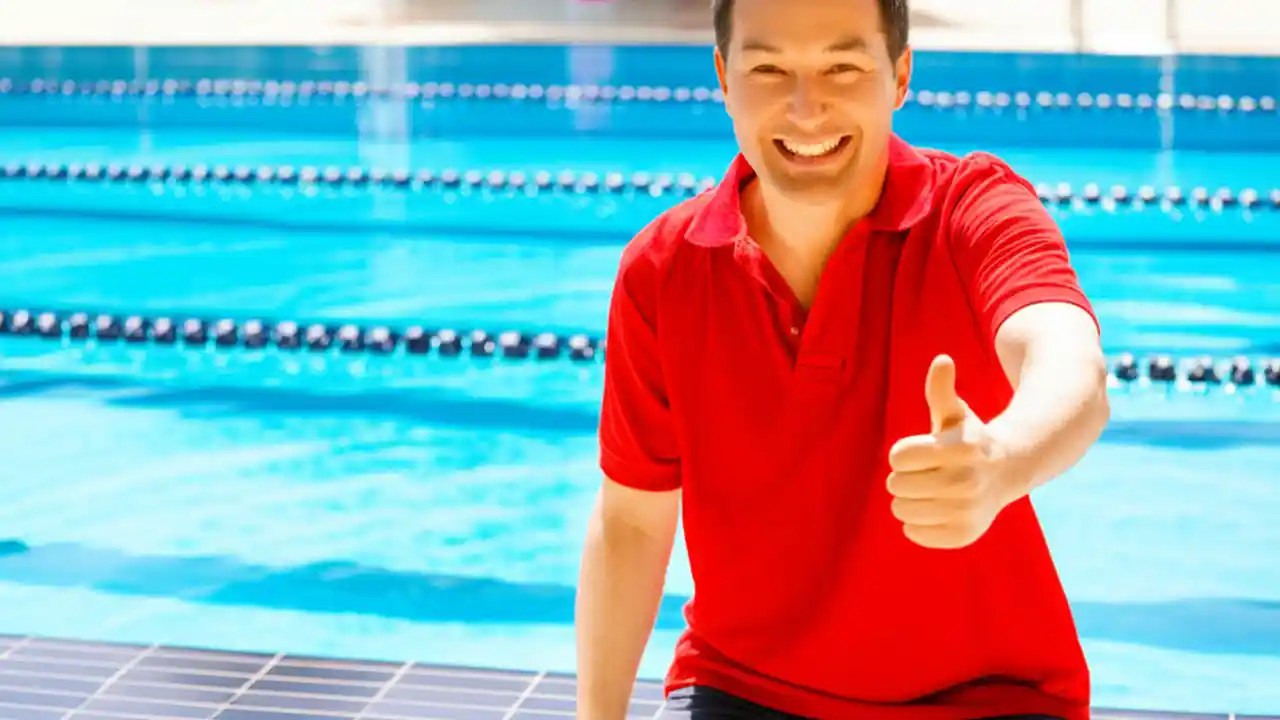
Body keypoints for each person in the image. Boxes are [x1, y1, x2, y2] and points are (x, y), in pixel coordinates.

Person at [574, 0, 1111, 718]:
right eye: (768, 68)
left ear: (899, 75)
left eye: (843, 66)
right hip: (742, 688)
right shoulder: (663, 271)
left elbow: (1068, 360)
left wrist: (1004, 460)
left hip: (986, 699)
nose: (806, 109)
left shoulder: (972, 210)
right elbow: (633, 523)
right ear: (723, 78)